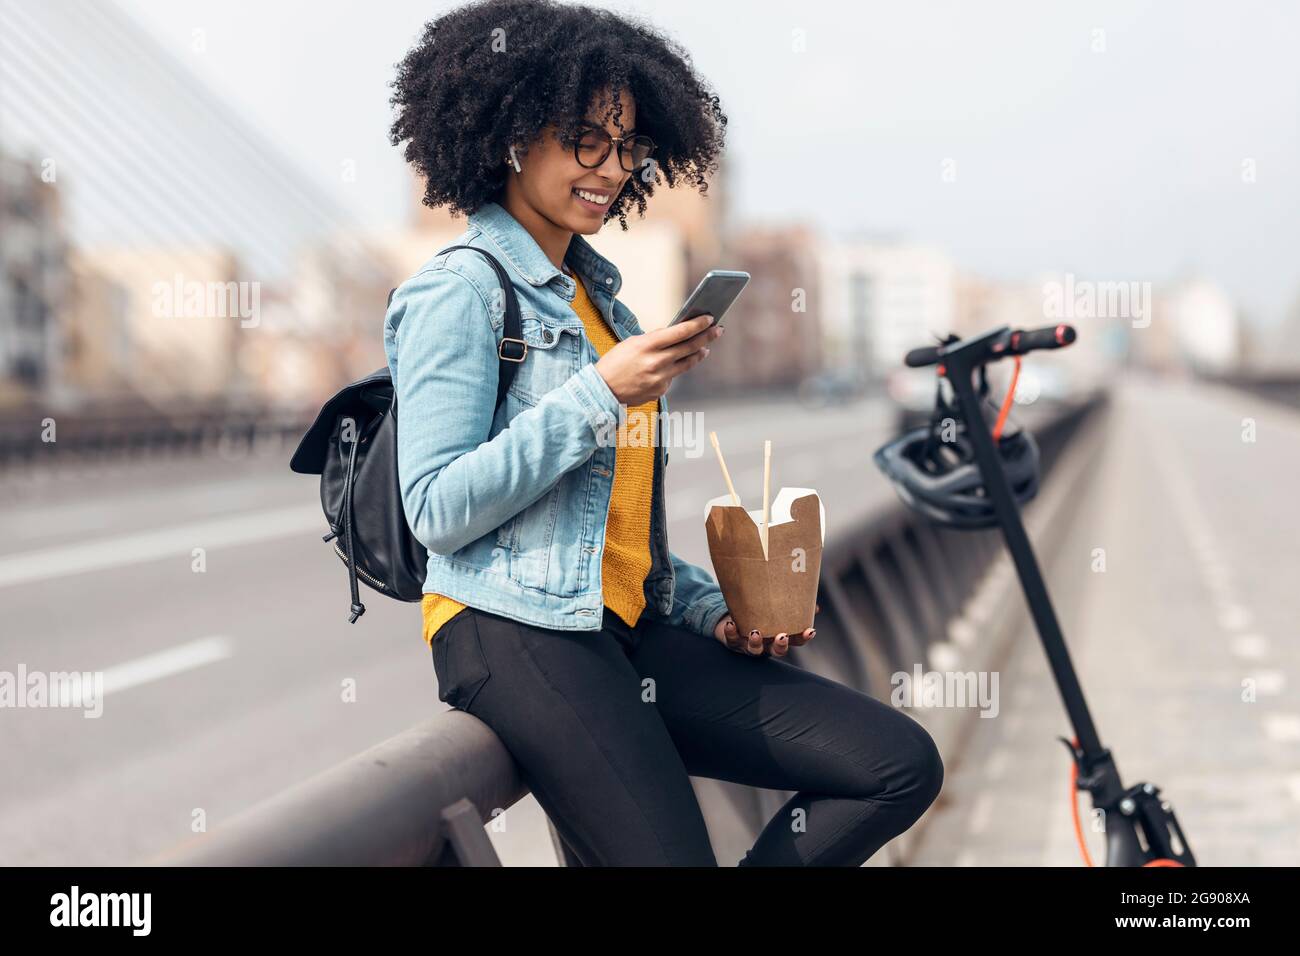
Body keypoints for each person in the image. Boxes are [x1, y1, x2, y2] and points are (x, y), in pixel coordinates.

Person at [384, 0, 942, 865]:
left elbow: (616, 538)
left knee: (895, 764)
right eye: (586, 141)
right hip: (510, 631)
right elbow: (436, 508)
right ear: (510, 135)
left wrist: (715, 611)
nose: (611, 167)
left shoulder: (606, 307)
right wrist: (599, 395)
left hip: (627, 629)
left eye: (628, 145)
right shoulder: (458, 291)